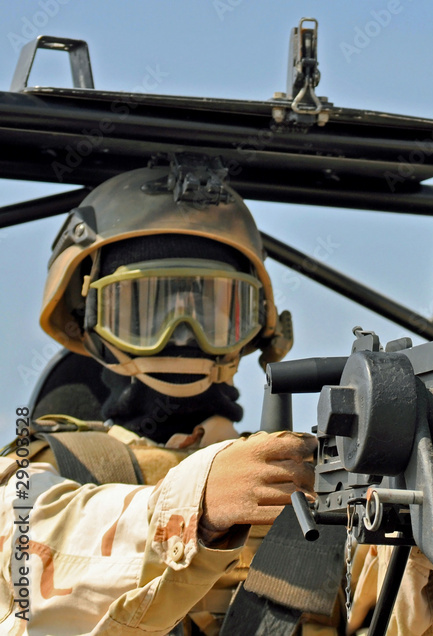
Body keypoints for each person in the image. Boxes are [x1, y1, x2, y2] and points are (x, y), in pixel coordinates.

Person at [0, 162, 324, 635]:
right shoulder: (32, 475)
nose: (182, 335)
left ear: (256, 328)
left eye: (213, 308)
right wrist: (200, 505)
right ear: (89, 322)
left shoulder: (310, 478)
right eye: (143, 308)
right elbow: (45, 558)